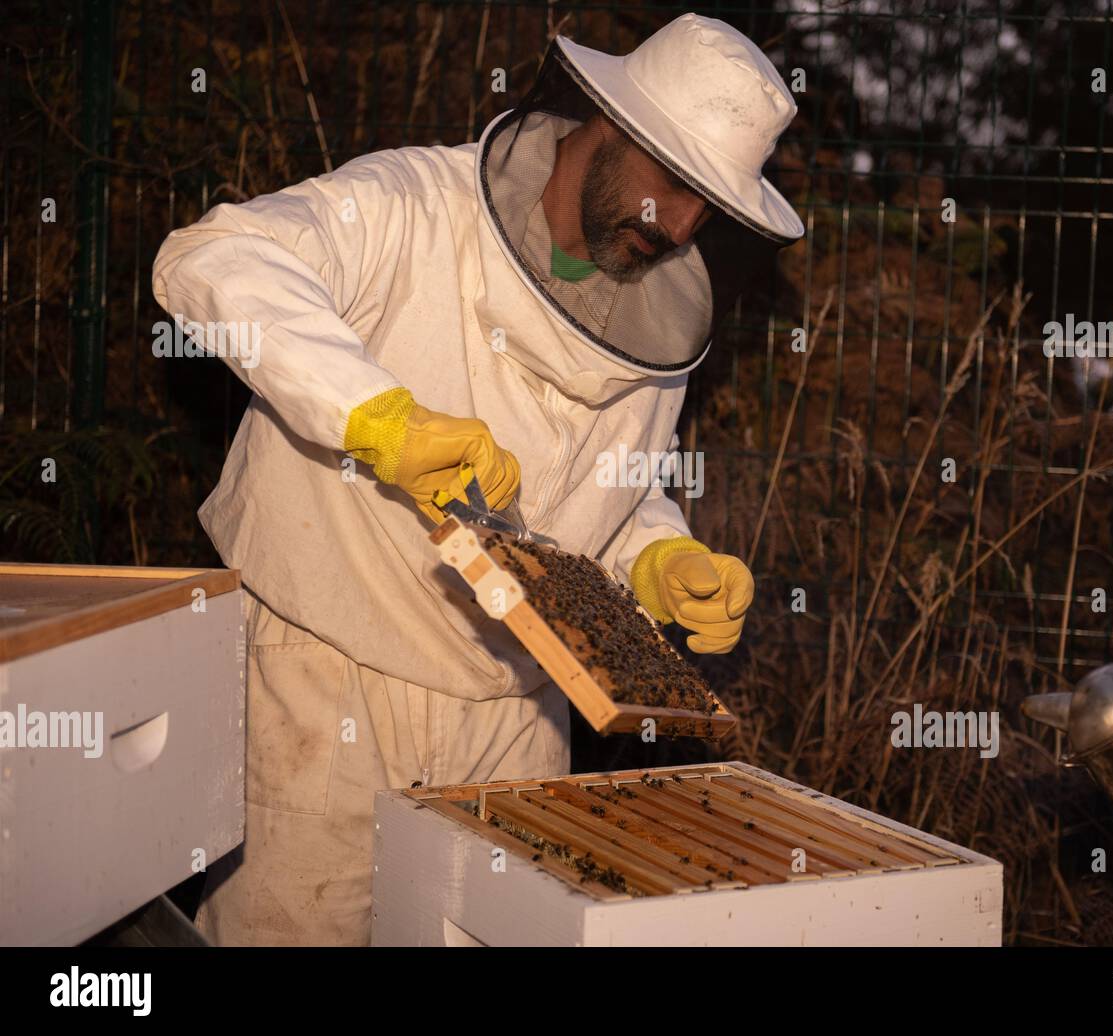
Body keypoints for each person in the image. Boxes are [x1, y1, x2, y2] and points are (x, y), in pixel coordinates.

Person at [151, 12, 805, 945]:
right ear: (611, 128)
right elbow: (211, 259)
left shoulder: (660, 308)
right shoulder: (415, 203)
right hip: (325, 678)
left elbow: (601, 489)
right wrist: (376, 415)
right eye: (677, 186)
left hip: (516, 711)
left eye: (713, 206)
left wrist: (660, 556)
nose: (686, 226)